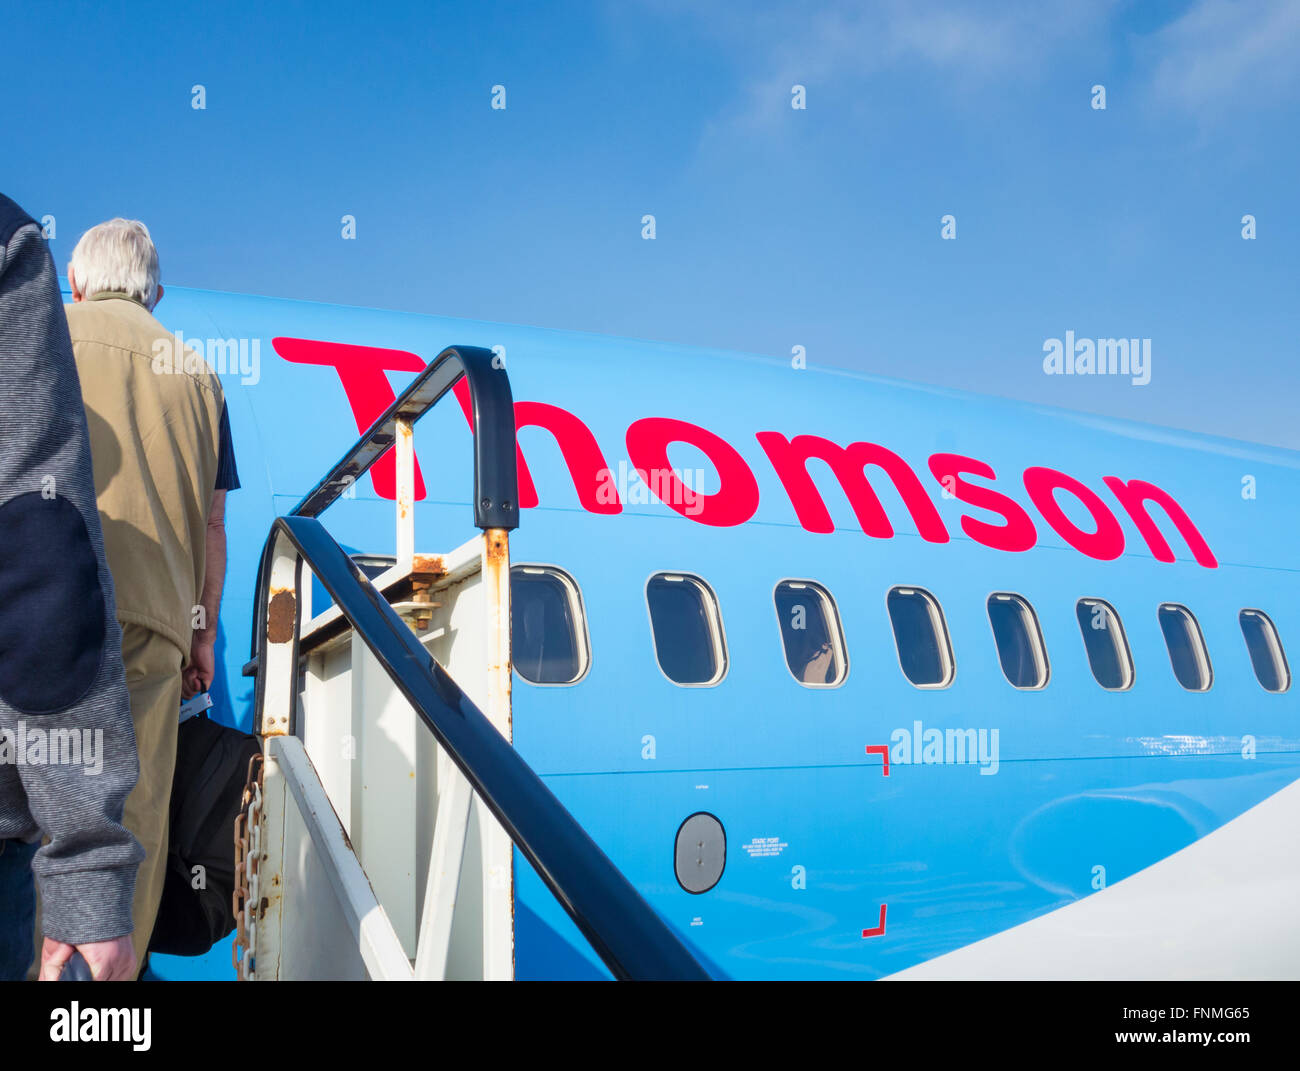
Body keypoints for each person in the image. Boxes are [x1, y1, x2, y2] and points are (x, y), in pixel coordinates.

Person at [58, 217, 240, 971]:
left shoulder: (40, 335)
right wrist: (200, 636)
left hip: (43, 603)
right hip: (153, 630)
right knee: (129, 828)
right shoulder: (199, 374)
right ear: (154, 292)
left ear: (76, 280)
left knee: (37, 809)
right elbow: (213, 526)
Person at [0, 193, 143, 982]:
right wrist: (89, 875)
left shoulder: (77, 329)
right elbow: (35, 542)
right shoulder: (196, 369)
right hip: (108, 643)